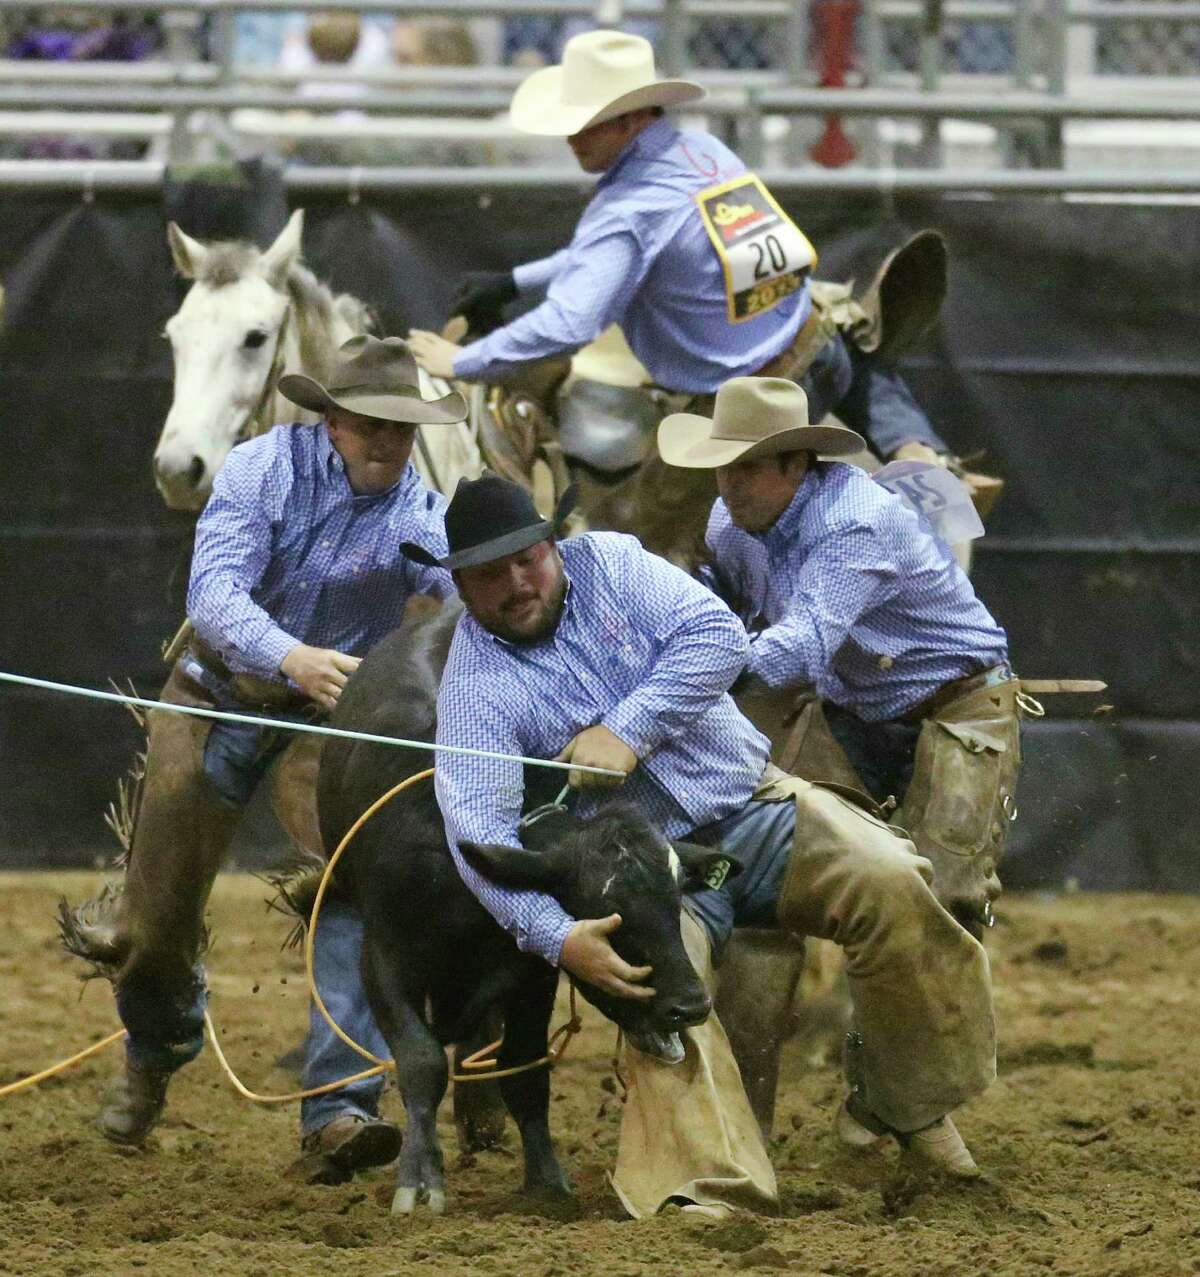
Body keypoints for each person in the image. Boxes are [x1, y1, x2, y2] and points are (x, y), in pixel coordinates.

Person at [410, 472, 996, 1219]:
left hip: (749, 798)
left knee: (892, 875)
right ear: (461, 584)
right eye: (492, 574)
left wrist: (628, 729)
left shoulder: (614, 564)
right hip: (646, 871)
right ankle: (712, 1189)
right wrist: (560, 939)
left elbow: (716, 636)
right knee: (660, 997)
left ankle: (910, 1107)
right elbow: (480, 838)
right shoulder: (474, 689)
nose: (519, 582)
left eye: (530, 558)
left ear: (554, 544)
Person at [89, 336, 466, 1183]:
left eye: (403, 429)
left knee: (348, 889)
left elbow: (461, 609)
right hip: (218, 691)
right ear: (330, 421)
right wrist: (292, 654)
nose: (390, 444)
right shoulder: (263, 468)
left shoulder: (424, 515)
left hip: (330, 719)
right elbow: (214, 595)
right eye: (372, 425)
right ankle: (157, 1050)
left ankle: (338, 1109)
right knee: (154, 916)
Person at [407, 29, 948, 468]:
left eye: (583, 123)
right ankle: (919, 453)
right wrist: (517, 281)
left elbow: (570, 323)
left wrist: (465, 360)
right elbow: (618, 255)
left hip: (754, 401)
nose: (571, 138)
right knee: (853, 347)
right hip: (819, 348)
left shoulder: (628, 208)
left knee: (669, 535)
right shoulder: (701, 153)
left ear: (629, 120)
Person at [658, 376, 1021, 925]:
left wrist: (693, 672)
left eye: (748, 468)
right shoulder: (728, 525)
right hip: (850, 714)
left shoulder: (854, 521)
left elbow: (802, 648)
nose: (730, 486)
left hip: (958, 711)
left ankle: (896, 1002)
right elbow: (722, 609)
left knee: (943, 905)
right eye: (723, 467)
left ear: (796, 465)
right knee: (766, 880)